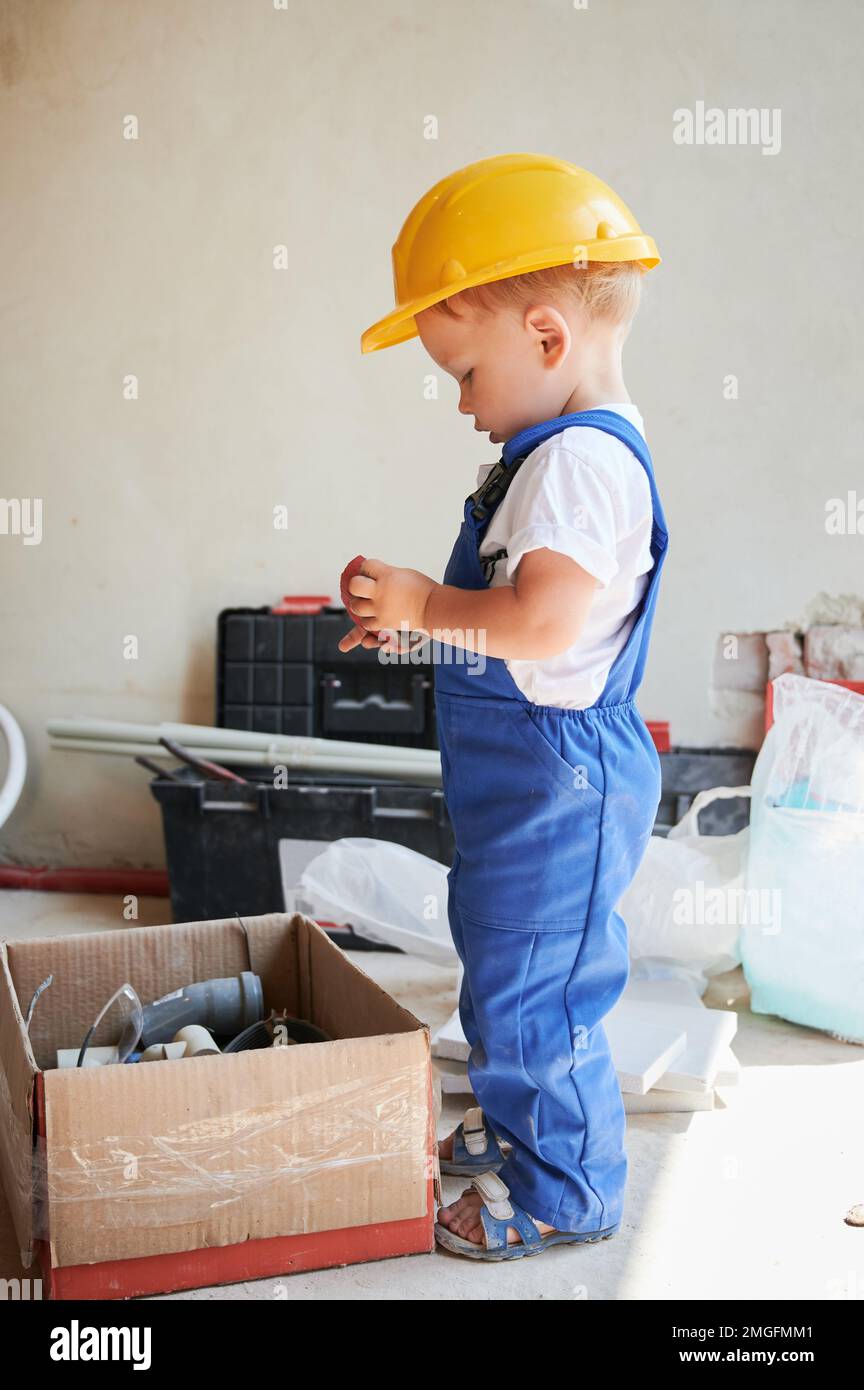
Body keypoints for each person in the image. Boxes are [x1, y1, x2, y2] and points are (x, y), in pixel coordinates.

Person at [339, 153, 669, 1261]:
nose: (464, 403)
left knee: (540, 994)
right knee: (504, 962)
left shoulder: (579, 462)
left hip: (559, 781)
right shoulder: (557, 452)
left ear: (544, 335)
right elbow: (516, 611)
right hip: (530, 775)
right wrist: (426, 620)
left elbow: (540, 626)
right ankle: (526, 1126)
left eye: (464, 372)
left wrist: (432, 602)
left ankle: (567, 1188)